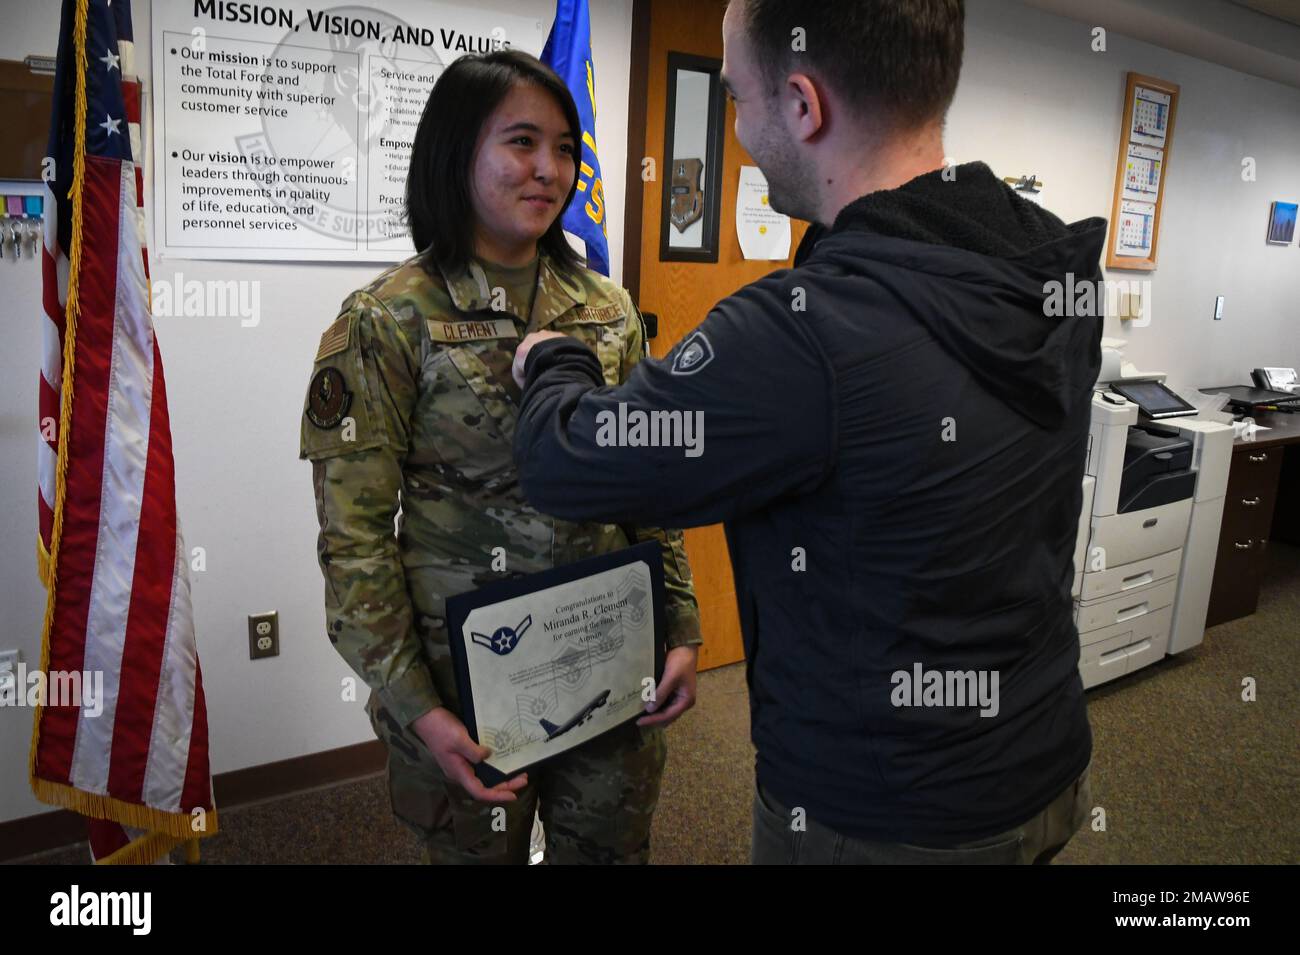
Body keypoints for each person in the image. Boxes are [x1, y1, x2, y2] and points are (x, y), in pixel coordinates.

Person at [510, 0, 1100, 864]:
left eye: (736, 96)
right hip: (1041, 759)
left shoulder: (806, 333)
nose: (737, 128)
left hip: (886, 816)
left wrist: (555, 360)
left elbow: (563, 458)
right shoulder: (1047, 262)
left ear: (802, 104)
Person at [298, 49, 702, 865]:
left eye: (564, 148)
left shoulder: (607, 308)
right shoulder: (387, 319)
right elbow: (355, 541)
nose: (550, 169)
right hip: (467, 680)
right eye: (522, 142)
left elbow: (645, 487)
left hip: (603, 651)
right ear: (458, 152)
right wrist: (418, 707)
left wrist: (682, 624)